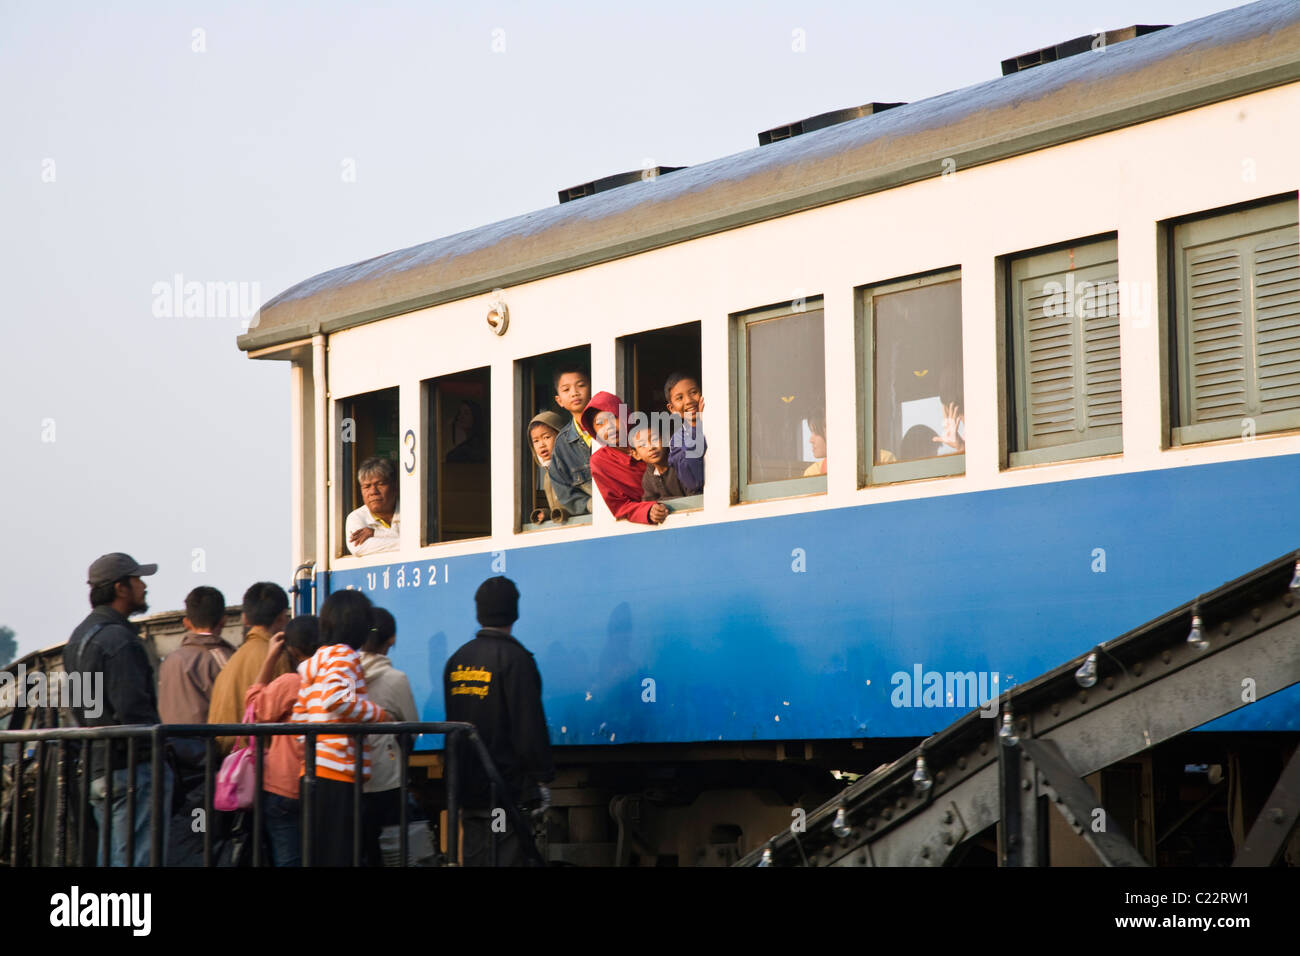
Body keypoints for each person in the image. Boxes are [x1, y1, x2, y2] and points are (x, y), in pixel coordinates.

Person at [63, 552, 173, 867]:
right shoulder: (120, 641)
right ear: (120, 587)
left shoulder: (79, 639)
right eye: (137, 579)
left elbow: (82, 706)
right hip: (131, 769)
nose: (143, 587)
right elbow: (134, 712)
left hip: (99, 767)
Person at [444, 577, 554, 867]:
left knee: (476, 857)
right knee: (502, 855)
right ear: (514, 612)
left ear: (478, 612)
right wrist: (542, 776)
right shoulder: (515, 659)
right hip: (502, 794)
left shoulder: (458, 661)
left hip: (468, 791)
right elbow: (528, 727)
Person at [292, 590, 391, 866]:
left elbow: (299, 720)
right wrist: (379, 714)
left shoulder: (316, 662)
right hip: (338, 774)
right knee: (342, 854)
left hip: (312, 772)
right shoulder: (344, 657)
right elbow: (338, 699)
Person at [245, 615, 320, 867]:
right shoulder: (335, 682)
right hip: (326, 785)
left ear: (293, 649)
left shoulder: (290, 682)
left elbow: (253, 711)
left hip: (285, 787)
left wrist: (270, 659)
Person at [359, 607, 419, 866]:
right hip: (386, 779)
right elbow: (413, 728)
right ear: (391, 639)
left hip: (349, 777)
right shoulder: (396, 679)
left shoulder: (344, 675)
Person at [208, 582, 290, 752]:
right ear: (282, 617)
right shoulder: (278, 658)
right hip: (258, 763)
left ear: (245, 618)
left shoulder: (231, 661)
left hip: (229, 763)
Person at [581, 390, 666, 525]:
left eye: (612, 418)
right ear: (593, 431)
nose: (608, 428)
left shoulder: (649, 437)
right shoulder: (601, 461)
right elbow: (619, 506)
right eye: (599, 424)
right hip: (649, 523)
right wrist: (646, 510)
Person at [158, 586, 234, 725]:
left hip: (169, 742)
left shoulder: (169, 660)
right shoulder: (224, 658)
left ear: (186, 623)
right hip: (207, 743)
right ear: (224, 621)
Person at [546, 365, 594, 517]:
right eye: (566, 390)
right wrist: (590, 505)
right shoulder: (562, 444)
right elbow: (566, 495)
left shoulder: (612, 427)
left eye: (581, 385)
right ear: (559, 400)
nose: (574, 393)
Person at [345, 456, 401, 555]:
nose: (373, 492)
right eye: (366, 486)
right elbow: (359, 548)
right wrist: (403, 541)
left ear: (394, 486)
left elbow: (418, 541)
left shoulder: (410, 510)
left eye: (380, 484)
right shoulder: (356, 517)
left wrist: (375, 533)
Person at [663, 371, 706, 495]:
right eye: (679, 398)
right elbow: (694, 481)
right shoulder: (677, 441)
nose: (688, 401)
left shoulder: (721, 423)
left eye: (693, 392)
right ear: (672, 409)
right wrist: (697, 428)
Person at [526, 409, 570, 524]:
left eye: (546, 437)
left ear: (561, 436)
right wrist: (546, 514)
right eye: (536, 441)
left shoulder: (571, 467)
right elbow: (557, 507)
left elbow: (580, 504)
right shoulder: (548, 473)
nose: (541, 445)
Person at [633, 423, 687, 501]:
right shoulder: (648, 477)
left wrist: (661, 501)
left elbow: (695, 497)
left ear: (665, 440)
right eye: (642, 445)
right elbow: (648, 502)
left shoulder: (683, 464)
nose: (651, 447)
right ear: (636, 455)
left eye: (654, 440)